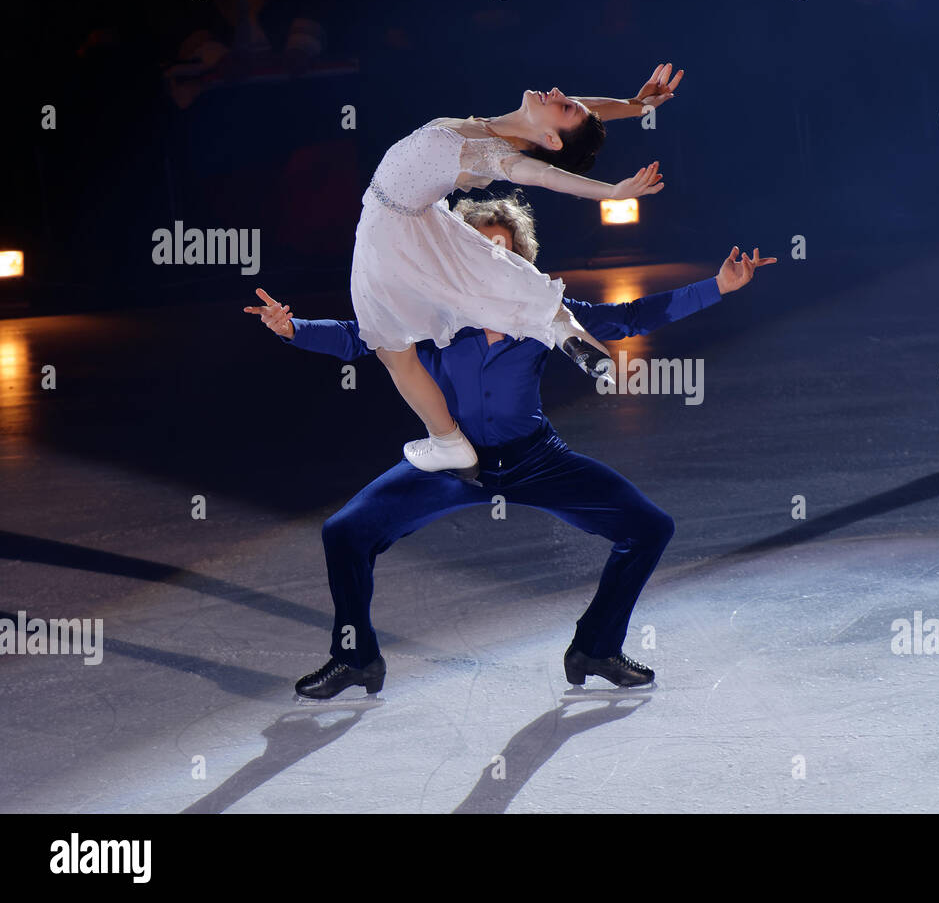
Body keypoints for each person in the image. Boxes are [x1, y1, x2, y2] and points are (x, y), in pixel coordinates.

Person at [244, 192, 773, 697]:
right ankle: (356, 659)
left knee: (650, 528)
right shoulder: (430, 315)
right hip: (454, 462)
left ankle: (595, 647)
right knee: (345, 534)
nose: (492, 258)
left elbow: (630, 317)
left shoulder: (541, 312)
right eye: (480, 248)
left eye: (503, 249)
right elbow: (358, 336)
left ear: (518, 258)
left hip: (535, 458)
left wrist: (718, 287)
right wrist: (292, 328)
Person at [352, 64, 683, 481]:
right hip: (422, 222)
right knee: (500, 277)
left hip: (388, 231)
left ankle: (448, 443)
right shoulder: (496, 131)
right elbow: (583, 110)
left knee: (393, 349)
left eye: (562, 106)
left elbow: (546, 175)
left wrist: (611, 193)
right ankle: (566, 333)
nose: (559, 90)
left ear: (549, 139)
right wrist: (636, 106)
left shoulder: (498, 155)